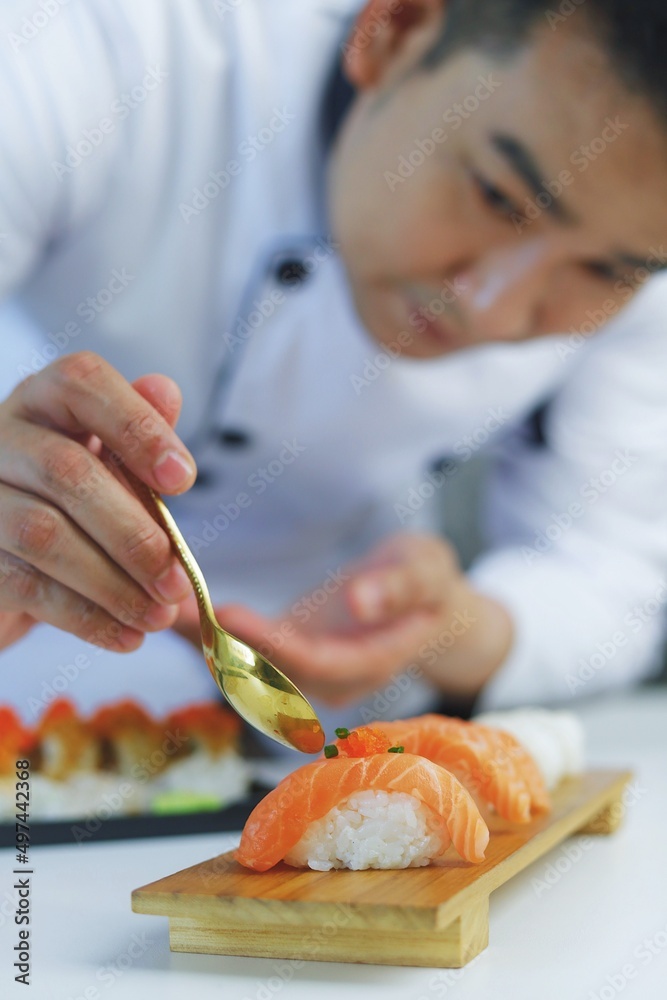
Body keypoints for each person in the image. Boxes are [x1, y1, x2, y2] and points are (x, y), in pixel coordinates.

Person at [1, 0, 666, 742]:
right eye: (495, 196)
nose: (494, 312)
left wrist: (450, 628)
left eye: (608, 271)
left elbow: (609, 578)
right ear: (396, 32)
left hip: (331, 740)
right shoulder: (106, 47)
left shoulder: (647, 258)